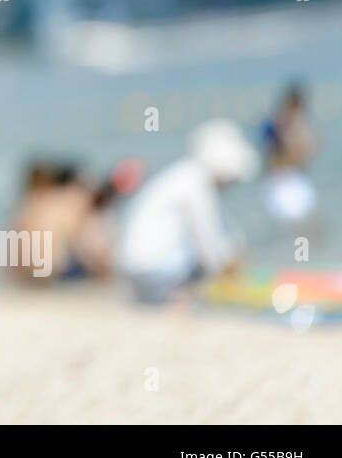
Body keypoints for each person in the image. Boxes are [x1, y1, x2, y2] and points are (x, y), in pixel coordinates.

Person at [116, 120, 259, 305]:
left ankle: (175, 297)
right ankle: (180, 299)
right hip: (154, 271)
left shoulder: (183, 175)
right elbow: (208, 245)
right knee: (200, 258)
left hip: (135, 270)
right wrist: (234, 274)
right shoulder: (197, 186)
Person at [8, 156, 144, 284]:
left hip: (31, 272)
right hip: (58, 272)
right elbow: (92, 247)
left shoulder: (29, 203)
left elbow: (14, 249)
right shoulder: (73, 201)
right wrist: (105, 276)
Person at [260, 82, 318, 225]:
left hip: (290, 177)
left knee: (302, 228)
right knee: (297, 227)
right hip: (282, 180)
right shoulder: (279, 123)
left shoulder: (285, 123)